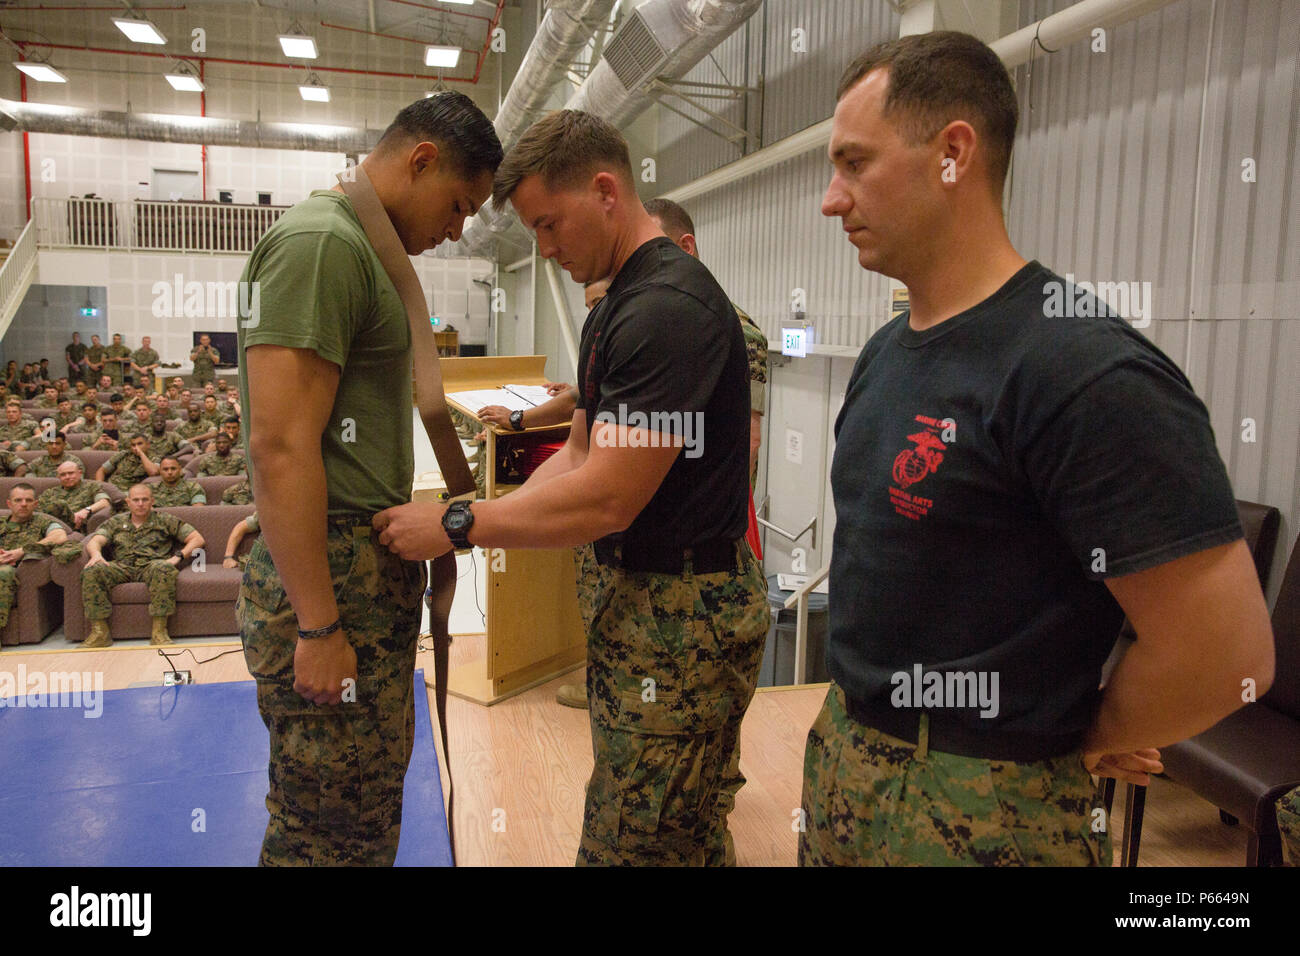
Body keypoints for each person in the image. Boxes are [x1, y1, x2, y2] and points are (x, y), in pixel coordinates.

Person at [798, 32, 1275, 867]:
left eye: (854, 163)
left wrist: (1077, 735)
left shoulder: (1080, 367)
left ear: (953, 154)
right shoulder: (887, 353)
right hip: (848, 769)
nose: (831, 201)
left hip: (984, 816)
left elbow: (1223, 653)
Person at [374, 109, 766, 866]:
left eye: (550, 226)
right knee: (674, 832)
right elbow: (579, 452)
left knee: (637, 845)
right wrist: (478, 511)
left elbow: (606, 497)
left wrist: (459, 527)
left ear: (606, 191)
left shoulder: (666, 311)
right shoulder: (618, 306)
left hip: (683, 623)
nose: (546, 250)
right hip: (642, 612)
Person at [237, 90, 501, 866]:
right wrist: (318, 625)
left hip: (355, 569)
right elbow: (280, 444)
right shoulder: (324, 244)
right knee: (324, 831)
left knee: (362, 811)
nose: (456, 231)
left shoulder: (358, 247)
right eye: (458, 205)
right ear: (420, 160)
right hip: (335, 588)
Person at [80, 482, 203, 648]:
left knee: (164, 568)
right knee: (92, 570)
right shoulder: (116, 522)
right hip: (122, 567)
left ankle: (159, 632)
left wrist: (177, 557)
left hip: (151, 566)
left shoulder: (165, 520)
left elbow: (197, 539)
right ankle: (100, 633)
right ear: (128, 502)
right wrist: (96, 554)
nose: (140, 504)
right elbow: (96, 540)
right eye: (136, 500)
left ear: (152, 501)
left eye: (144, 500)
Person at [0, 484, 68, 631]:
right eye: (18, 500)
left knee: (4, 573)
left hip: (15, 572)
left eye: (28, 500)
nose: (23, 504)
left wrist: (22, 551)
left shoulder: (42, 522)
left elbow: (59, 536)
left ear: (35, 504)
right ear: (9, 504)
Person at [38, 460, 113, 528]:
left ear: (80, 473)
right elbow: (37, 511)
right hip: (49, 526)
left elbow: (104, 503)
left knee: (61, 504)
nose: (67, 477)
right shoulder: (50, 492)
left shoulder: (91, 487)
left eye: (71, 473)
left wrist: (86, 510)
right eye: (63, 475)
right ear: (59, 477)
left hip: (74, 527)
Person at [95, 433, 162, 492]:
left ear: (148, 445)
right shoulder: (124, 454)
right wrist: (100, 486)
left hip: (129, 492)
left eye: (139, 444)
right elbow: (101, 470)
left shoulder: (154, 458)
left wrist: (141, 454)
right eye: (133, 445)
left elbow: (153, 472)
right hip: (111, 487)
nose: (136, 447)